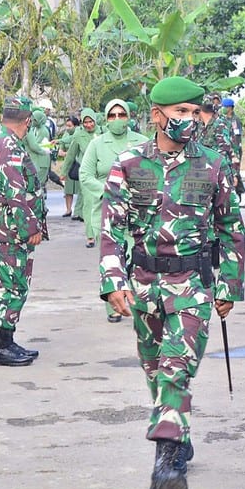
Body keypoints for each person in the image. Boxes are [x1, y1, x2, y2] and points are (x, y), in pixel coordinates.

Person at [99, 76, 245, 489]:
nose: (191, 120)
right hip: (144, 285)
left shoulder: (214, 164)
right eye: (181, 112)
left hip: (192, 286)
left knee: (175, 367)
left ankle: (165, 465)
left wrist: (230, 285)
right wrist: (113, 281)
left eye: (195, 112)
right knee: (153, 369)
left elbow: (230, 228)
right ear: (158, 115)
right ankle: (177, 436)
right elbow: (112, 230)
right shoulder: (128, 164)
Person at [0, 96, 47, 367]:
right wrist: (31, 227)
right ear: (28, 121)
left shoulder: (5, 142)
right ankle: (1, 348)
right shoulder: (8, 146)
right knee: (12, 286)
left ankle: (6, 341)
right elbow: (16, 194)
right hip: (10, 230)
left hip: (7, 228)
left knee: (9, 284)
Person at [80, 99, 147, 323]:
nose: (117, 119)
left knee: (137, 260)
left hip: (138, 212)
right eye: (112, 115)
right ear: (106, 119)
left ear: (128, 117)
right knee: (111, 259)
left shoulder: (143, 142)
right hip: (107, 211)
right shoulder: (97, 144)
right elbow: (86, 175)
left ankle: (139, 304)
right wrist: (110, 191)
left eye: (121, 115)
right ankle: (113, 306)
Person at [62, 108, 100, 248]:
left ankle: (103, 232)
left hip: (102, 174)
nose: (89, 125)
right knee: (88, 203)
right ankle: (90, 236)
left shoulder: (103, 133)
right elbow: (71, 154)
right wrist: (63, 171)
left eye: (91, 122)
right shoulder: (78, 135)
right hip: (86, 174)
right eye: (86, 122)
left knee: (103, 204)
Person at [222, 97, 245, 204]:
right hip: (225, 149)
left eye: (225, 107)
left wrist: (235, 153)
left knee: (235, 172)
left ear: (230, 108)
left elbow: (236, 138)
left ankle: (243, 195)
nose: (223, 109)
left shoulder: (235, 120)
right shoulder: (222, 119)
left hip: (234, 150)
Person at [23, 108, 52, 188]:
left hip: (42, 161)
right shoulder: (34, 129)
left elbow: (35, 146)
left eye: (35, 120)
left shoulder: (43, 131)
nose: (33, 121)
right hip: (36, 160)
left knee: (38, 185)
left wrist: (44, 151)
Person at [57, 116, 79, 217]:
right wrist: (68, 154)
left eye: (70, 126)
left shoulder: (79, 134)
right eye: (67, 126)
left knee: (80, 189)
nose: (67, 128)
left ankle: (79, 211)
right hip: (68, 164)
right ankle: (68, 209)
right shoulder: (65, 135)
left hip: (78, 163)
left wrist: (69, 153)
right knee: (68, 189)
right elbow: (60, 151)